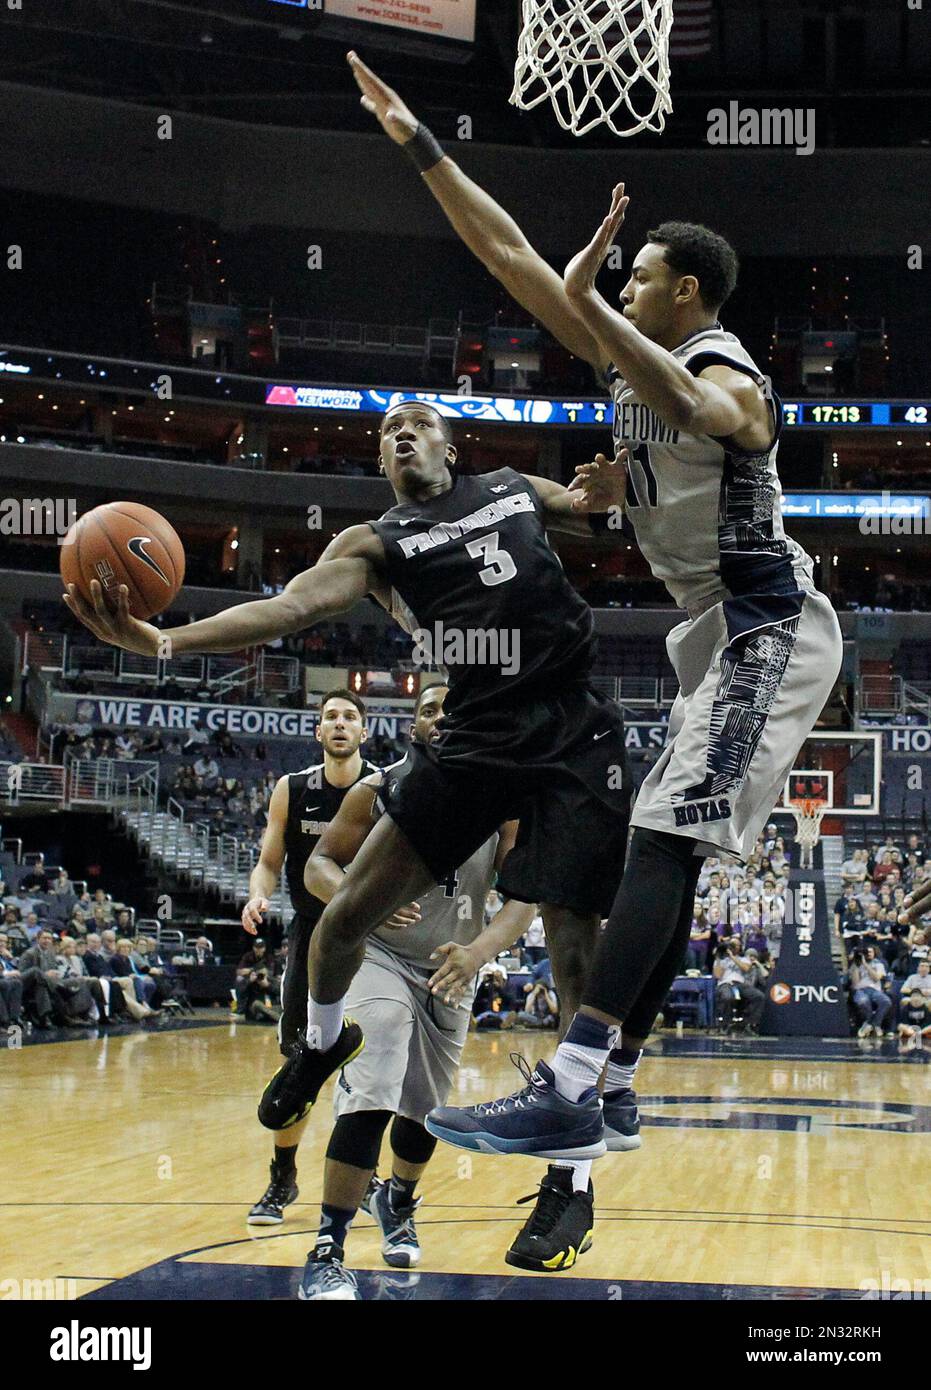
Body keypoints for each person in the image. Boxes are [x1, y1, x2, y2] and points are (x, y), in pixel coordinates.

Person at [351, 59, 839, 1215]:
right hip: (713, 635)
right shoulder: (636, 349)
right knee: (648, 854)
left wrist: (609, 329)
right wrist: (422, 144)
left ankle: (576, 1078)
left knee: (663, 840)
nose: (621, 283)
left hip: (770, 620)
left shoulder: (730, 370)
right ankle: (610, 1088)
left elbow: (711, 417)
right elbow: (507, 254)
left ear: (684, 295)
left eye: (639, 277)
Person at [64, 348, 634, 1268]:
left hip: (573, 725)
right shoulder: (373, 545)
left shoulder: (509, 486)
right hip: (473, 736)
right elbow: (285, 609)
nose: (398, 434)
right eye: (383, 434)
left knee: (575, 947)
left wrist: (603, 490)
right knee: (339, 922)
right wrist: (167, 641)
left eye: (413, 424)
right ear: (382, 465)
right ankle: (317, 1050)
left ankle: (570, 1190)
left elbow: (593, 512)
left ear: (449, 445)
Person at [296, 683, 534, 1298]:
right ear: (412, 725)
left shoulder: (503, 802)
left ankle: (397, 1200)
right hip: (380, 956)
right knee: (372, 1084)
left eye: (452, 707)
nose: (442, 717)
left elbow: (523, 899)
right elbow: (316, 864)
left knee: (423, 1109)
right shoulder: (374, 791)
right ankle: (328, 1246)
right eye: (429, 709)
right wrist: (355, 895)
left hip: (454, 966)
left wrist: (480, 951)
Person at [242, 689, 380, 1225]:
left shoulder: (383, 787)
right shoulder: (291, 789)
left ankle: (362, 1178)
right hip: (311, 933)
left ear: (364, 732)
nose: (340, 723)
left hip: (371, 935)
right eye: (330, 717)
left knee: (372, 1064)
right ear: (318, 732)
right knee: (300, 1061)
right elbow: (269, 861)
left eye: (350, 716)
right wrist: (258, 893)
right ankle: (282, 1177)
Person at [713, 939, 765, 1034]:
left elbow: (745, 968)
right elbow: (718, 976)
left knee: (759, 996)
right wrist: (718, 958)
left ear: (740, 947)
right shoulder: (721, 960)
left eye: (735, 945)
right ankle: (725, 1024)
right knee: (727, 997)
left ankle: (749, 1024)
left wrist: (732, 957)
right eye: (731, 945)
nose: (732, 947)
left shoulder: (744, 959)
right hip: (725, 983)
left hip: (740, 983)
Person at [848, 946, 892, 1039]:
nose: (868, 954)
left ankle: (871, 1024)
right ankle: (874, 1025)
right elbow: (855, 983)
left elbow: (876, 978)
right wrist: (856, 964)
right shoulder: (856, 965)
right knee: (863, 1001)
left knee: (886, 1001)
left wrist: (865, 964)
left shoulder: (879, 964)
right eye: (866, 952)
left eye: (870, 952)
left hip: (875, 990)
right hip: (861, 990)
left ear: (874, 953)